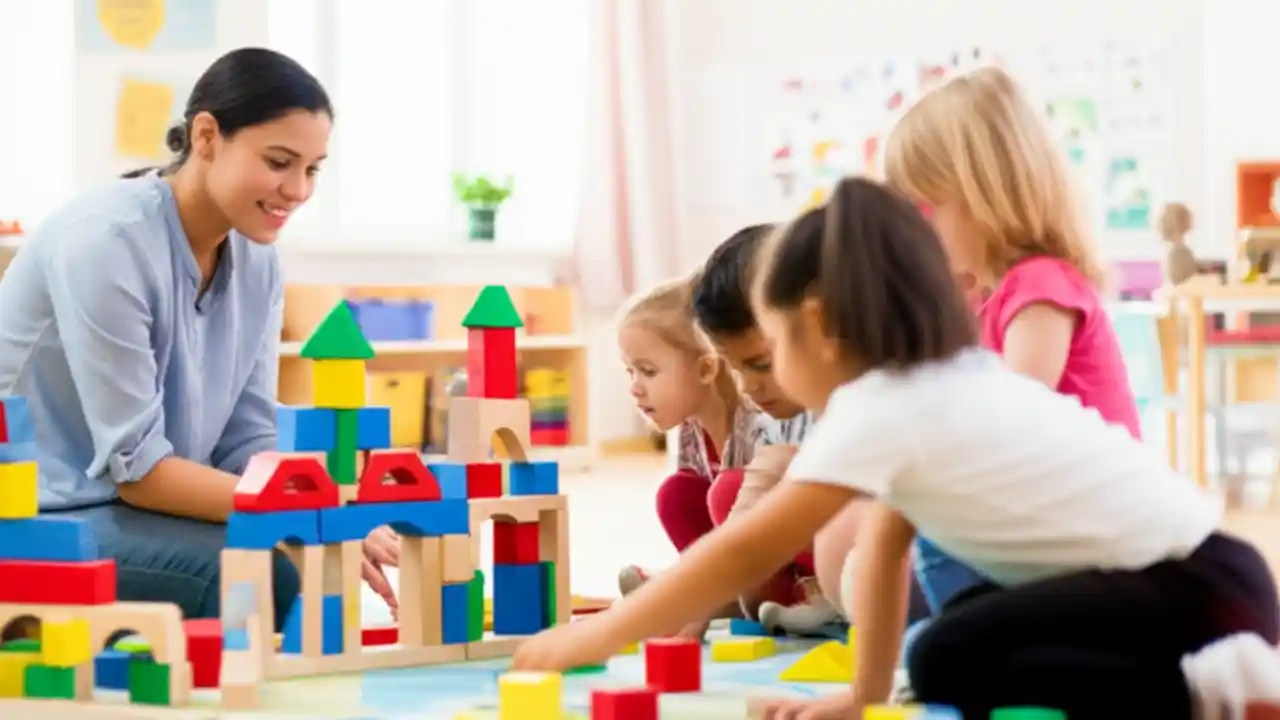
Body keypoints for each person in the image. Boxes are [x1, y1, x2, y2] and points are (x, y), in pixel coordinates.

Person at [510, 177, 1279, 720]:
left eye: (773, 347)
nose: (766, 376)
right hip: (1206, 579)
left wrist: (596, 635)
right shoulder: (932, 382)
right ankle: (1202, 675)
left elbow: (746, 549)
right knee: (951, 639)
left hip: (1193, 590)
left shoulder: (880, 408)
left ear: (819, 326)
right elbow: (883, 547)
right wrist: (864, 695)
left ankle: (1215, 691)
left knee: (946, 655)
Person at [0, 47, 397, 630]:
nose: (297, 190)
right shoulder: (105, 242)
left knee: (304, 558)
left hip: (125, 507)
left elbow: (246, 435)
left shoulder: (257, 258)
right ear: (206, 136)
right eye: (279, 162)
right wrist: (306, 511)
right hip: (36, 514)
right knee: (261, 574)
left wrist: (331, 509)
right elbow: (140, 473)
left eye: (312, 169)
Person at [876, 65, 1145, 615]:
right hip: (1047, 523)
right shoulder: (989, 298)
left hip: (1092, 531)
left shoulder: (1039, 286)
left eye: (923, 210)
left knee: (936, 527)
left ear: (984, 199)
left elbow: (1014, 411)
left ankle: (988, 633)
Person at [614, 275, 757, 638]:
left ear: (706, 369)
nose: (634, 387)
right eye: (630, 371)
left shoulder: (755, 420)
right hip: (740, 563)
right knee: (676, 493)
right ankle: (713, 595)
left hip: (780, 552)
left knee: (727, 490)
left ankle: (709, 594)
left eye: (648, 371)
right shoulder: (691, 428)